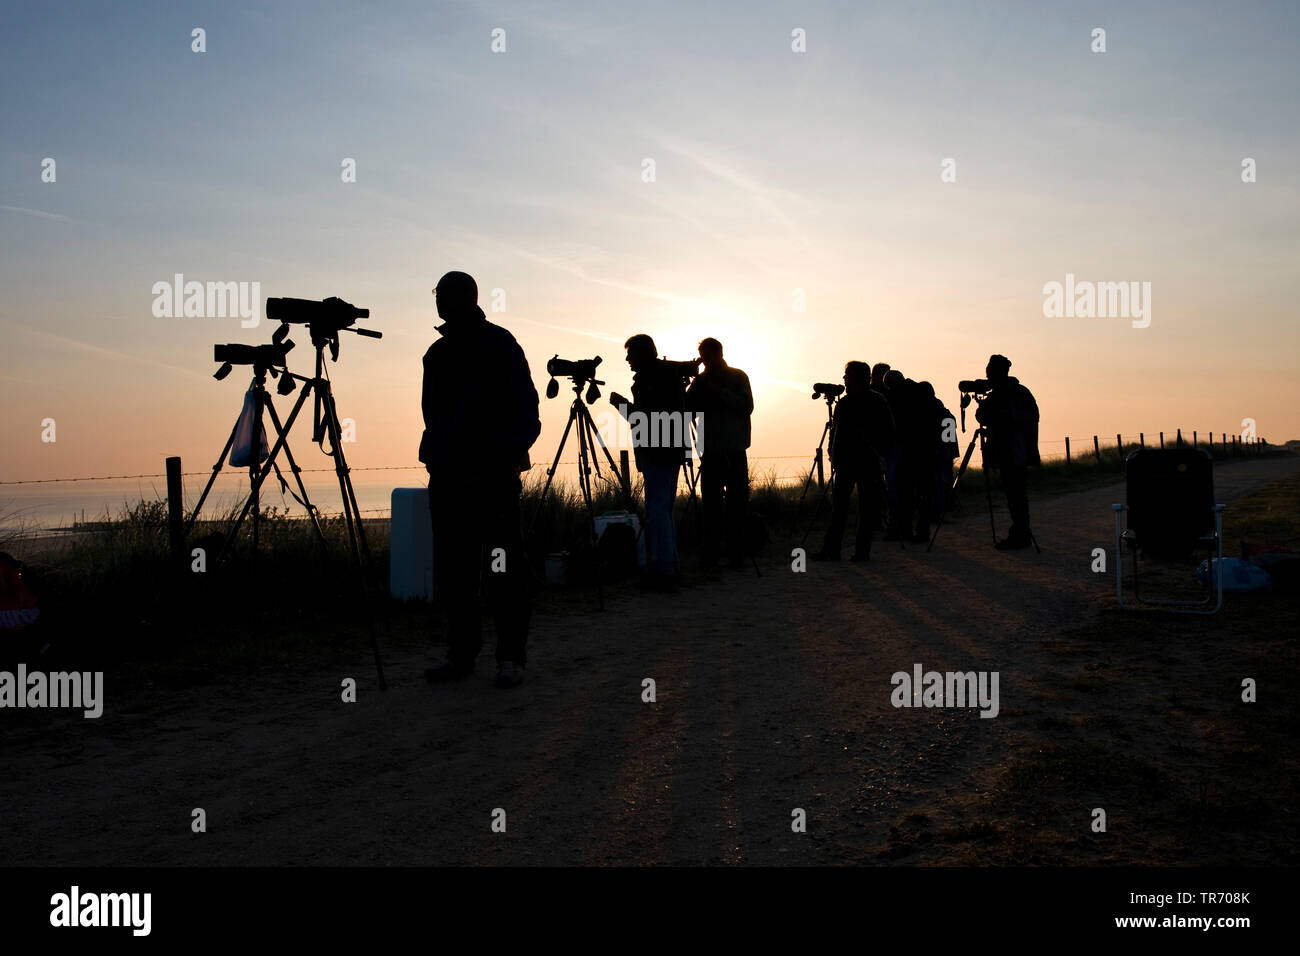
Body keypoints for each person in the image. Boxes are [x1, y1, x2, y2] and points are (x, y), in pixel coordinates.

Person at [420, 271, 541, 688]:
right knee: (455, 571)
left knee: (504, 568)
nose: (439, 302)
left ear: (466, 298)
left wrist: (505, 454)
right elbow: (431, 415)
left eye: (445, 295)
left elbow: (527, 409)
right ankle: (461, 654)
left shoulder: (500, 344)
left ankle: (510, 658)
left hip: (492, 476)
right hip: (449, 476)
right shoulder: (435, 355)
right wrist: (437, 454)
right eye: (438, 295)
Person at [609, 334, 687, 589]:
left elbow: (646, 420)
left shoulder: (650, 379)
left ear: (643, 354)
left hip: (658, 452)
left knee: (657, 512)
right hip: (670, 450)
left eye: (631, 354)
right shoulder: (667, 375)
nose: (628, 360)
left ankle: (664, 571)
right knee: (662, 510)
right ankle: (668, 565)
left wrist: (622, 406)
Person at [812, 361, 895, 561]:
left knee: (856, 508)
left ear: (857, 378)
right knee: (851, 508)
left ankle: (845, 550)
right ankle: (853, 551)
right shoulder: (853, 402)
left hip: (864, 462)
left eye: (847, 375)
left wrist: (877, 452)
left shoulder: (867, 402)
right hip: (851, 462)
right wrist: (833, 453)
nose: (844, 379)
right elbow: (837, 432)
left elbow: (888, 432)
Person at [685, 337, 753, 569]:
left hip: (734, 449)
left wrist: (717, 391)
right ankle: (711, 555)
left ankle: (737, 554)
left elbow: (746, 407)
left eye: (707, 356)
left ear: (718, 354)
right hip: (711, 451)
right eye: (702, 357)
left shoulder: (737, 376)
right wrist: (686, 388)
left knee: (737, 504)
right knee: (711, 506)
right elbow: (688, 412)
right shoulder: (700, 381)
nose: (705, 362)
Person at [974, 353, 1040, 550]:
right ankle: (1020, 533)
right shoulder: (1003, 393)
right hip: (1007, 452)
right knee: (1015, 495)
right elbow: (983, 417)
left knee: (1016, 495)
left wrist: (1006, 415)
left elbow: (1031, 417)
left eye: (991, 372)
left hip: (1015, 453)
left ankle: (1020, 535)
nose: (989, 376)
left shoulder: (1017, 393)